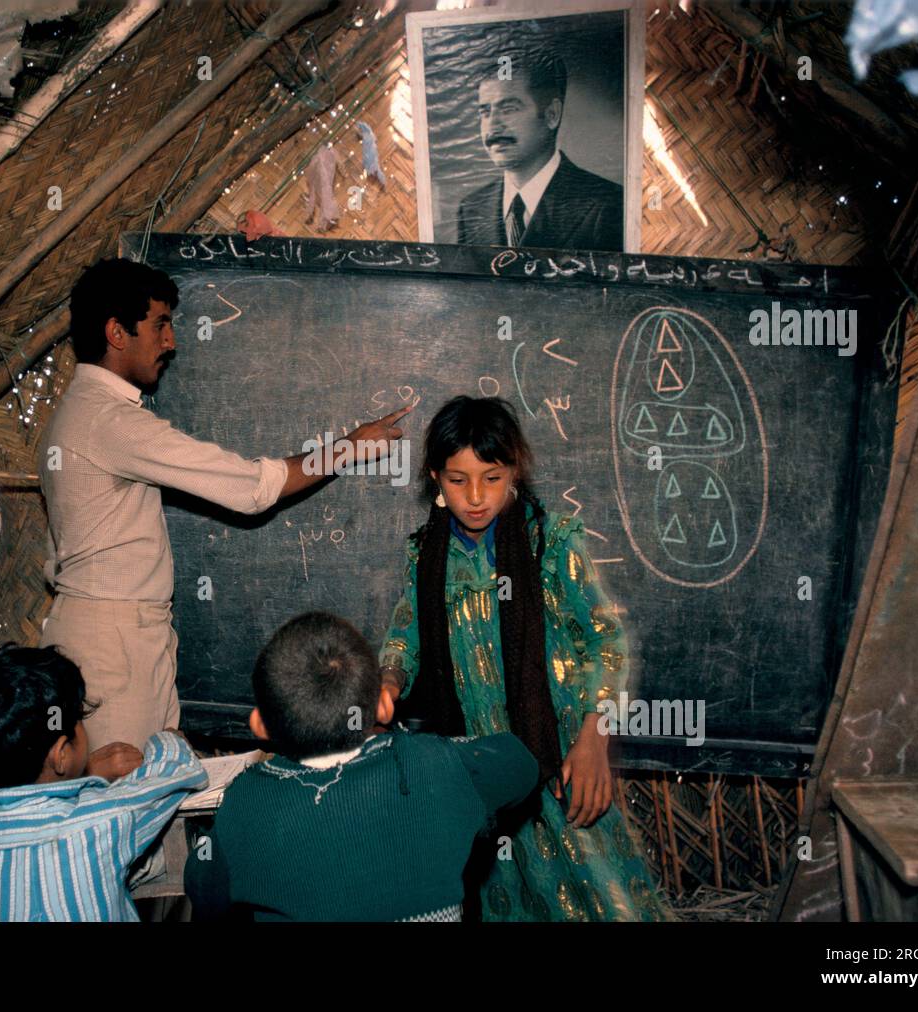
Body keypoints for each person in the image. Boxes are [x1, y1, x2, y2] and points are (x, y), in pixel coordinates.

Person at [38, 258, 409, 749]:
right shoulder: (110, 422)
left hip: (111, 634)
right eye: (161, 324)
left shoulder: (76, 414)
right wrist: (350, 447)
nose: (170, 342)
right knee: (129, 796)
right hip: (114, 645)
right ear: (116, 332)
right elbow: (252, 488)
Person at [380, 396, 670, 921]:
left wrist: (592, 739)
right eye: (456, 479)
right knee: (503, 897)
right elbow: (407, 633)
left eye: (491, 478)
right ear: (433, 478)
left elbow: (606, 642)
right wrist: (388, 680)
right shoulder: (426, 554)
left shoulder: (550, 544)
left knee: (596, 896)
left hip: (559, 755)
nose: (474, 497)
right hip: (480, 768)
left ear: (514, 470)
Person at [183, 611, 539, 921]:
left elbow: (203, 890)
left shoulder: (245, 804)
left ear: (260, 726)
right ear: (383, 707)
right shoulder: (436, 765)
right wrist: (437, 749)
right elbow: (520, 764)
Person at [0, 645, 206, 922]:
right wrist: (170, 738)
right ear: (60, 755)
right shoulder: (96, 825)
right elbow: (176, 768)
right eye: (79, 720)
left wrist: (83, 770)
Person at [455, 48, 623, 252]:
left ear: (552, 114)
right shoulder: (472, 208)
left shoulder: (606, 205)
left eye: (509, 109)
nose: (492, 126)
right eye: (485, 112)